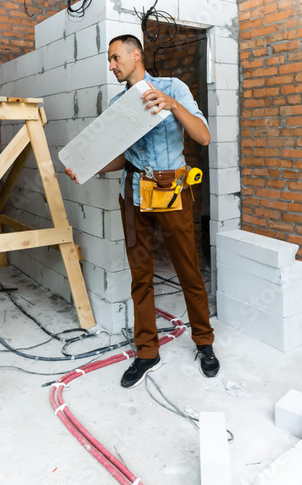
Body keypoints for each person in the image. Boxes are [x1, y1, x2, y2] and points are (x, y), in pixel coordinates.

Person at [65, 34, 219, 388]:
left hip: (173, 192)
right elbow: (121, 158)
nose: (112, 65)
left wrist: (171, 105)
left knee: (188, 270)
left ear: (136, 55)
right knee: (141, 275)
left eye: (116, 57)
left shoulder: (172, 87)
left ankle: (204, 342)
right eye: (110, 60)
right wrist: (89, 167)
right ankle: (147, 352)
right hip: (134, 195)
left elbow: (203, 136)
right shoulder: (120, 106)